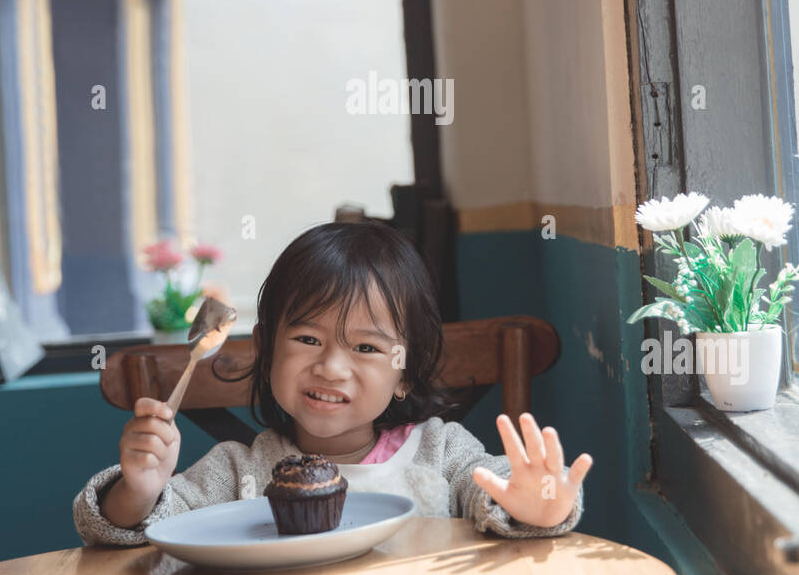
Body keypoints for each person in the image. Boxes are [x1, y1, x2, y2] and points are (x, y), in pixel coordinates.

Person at [73, 221, 593, 547]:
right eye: (306, 338)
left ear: (405, 372)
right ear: (267, 347)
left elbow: (498, 490)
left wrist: (540, 503)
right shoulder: (238, 472)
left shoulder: (441, 453)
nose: (331, 368)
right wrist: (138, 492)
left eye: (365, 348)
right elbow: (136, 528)